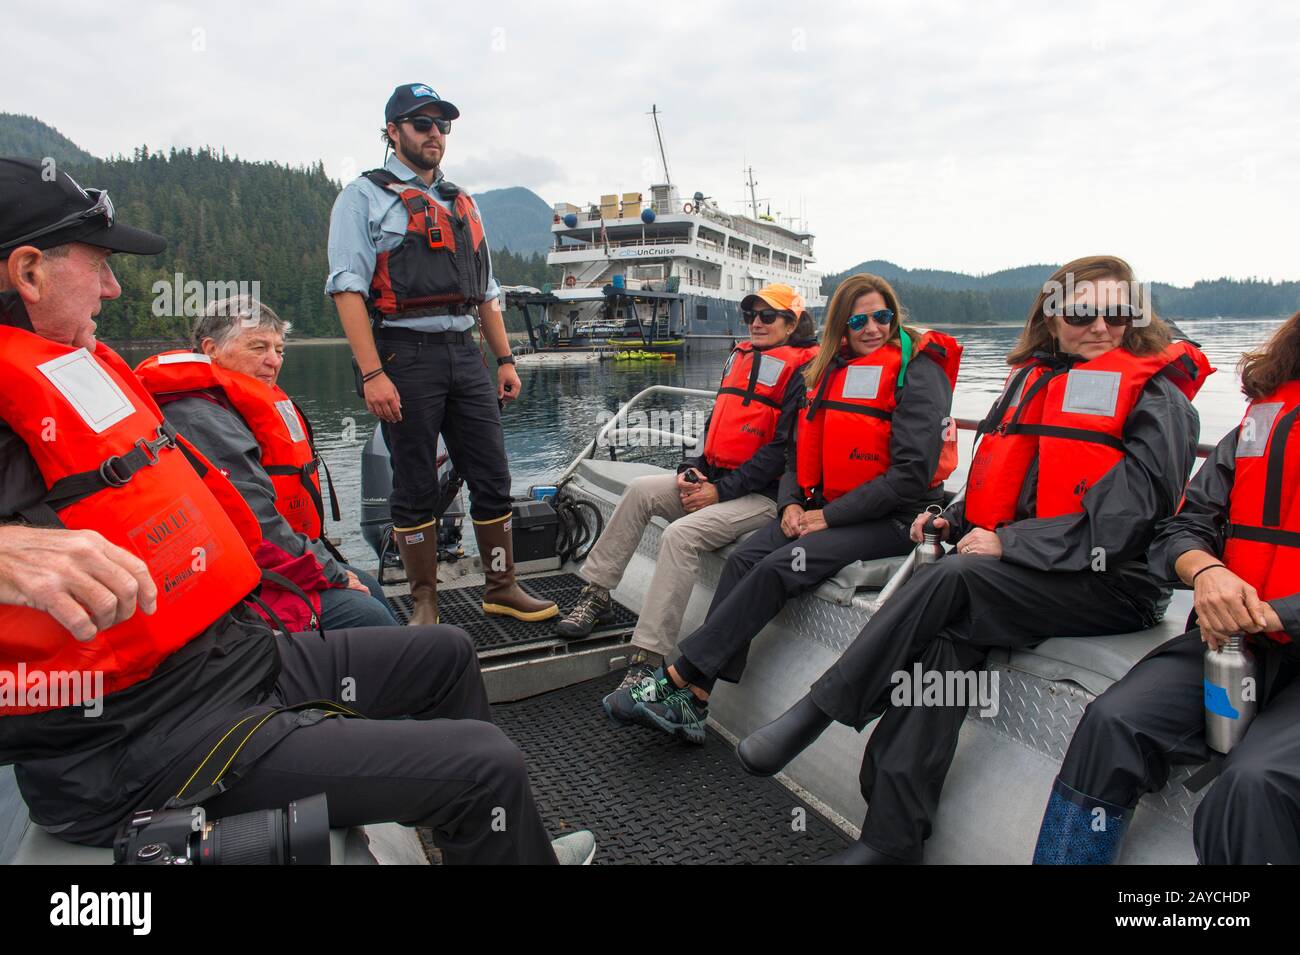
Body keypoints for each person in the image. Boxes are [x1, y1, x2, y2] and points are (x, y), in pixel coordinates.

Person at [0, 158, 593, 865]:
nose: (113, 286)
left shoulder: (75, 367)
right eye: (98, 264)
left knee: (447, 652)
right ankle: (477, 809)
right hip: (142, 746)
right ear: (29, 272)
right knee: (484, 762)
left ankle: (476, 842)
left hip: (227, 664)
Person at [737, 255, 1213, 864]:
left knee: (957, 577)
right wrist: (954, 519)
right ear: (1052, 317)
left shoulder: (1158, 395)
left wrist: (1008, 544)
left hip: (1111, 583)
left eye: (1118, 312)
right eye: (1082, 312)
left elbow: (1131, 517)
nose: (1101, 327)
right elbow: (1003, 478)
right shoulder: (1038, 379)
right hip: (1029, 574)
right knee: (944, 652)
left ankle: (819, 711)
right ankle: (891, 839)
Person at [604, 274, 962, 744]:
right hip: (823, 505)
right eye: (859, 319)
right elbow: (796, 451)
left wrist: (825, 518)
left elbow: (911, 475)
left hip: (896, 518)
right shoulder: (826, 369)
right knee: (745, 559)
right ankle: (697, 701)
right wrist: (792, 502)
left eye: (882, 316)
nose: (872, 328)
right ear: (842, 325)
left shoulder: (917, 371)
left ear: (894, 317)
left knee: (779, 567)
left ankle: (676, 678)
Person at [1033, 310, 1300, 865]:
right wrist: (1207, 571)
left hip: (1268, 633)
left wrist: (1279, 614)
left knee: (1254, 783)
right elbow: (1184, 523)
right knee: (1112, 723)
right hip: (1232, 642)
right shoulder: (1261, 423)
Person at [327, 83, 554, 627]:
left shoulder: (460, 202)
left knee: (492, 475)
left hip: (465, 354)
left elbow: (488, 291)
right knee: (415, 484)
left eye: (442, 125)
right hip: (404, 355)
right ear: (392, 131)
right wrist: (373, 372)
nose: (434, 134)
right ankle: (425, 603)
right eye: (421, 123)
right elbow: (346, 288)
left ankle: (501, 586)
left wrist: (503, 360)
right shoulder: (362, 197)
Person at [555, 283, 818, 691]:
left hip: (763, 498)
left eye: (768, 316)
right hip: (720, 482)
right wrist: (690, 467)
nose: (756, 323)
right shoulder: (741, 358)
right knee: (641, 491)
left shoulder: (802, 373)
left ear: (793, 323)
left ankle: (648, 657)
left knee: (680, 535)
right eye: (751, 315)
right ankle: (598, 595)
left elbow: (782, 453)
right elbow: (716, 424)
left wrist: (720, 490)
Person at [134, 296, 397, 631]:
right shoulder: (199, 418)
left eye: (280, 349)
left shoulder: (230, 405)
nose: (274, 361)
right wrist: (331, 571)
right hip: (226, 587)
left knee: (368, 588)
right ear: (211, 349)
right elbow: (255, 529)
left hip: (256, 566)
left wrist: (330, 567)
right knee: (365, 613)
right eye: (258, 347)